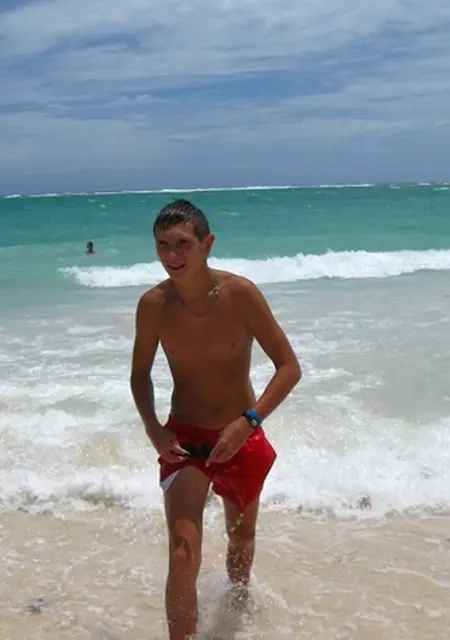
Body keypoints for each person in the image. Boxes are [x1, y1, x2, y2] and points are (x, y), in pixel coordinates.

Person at [130, 199, 301, 639]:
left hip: (241, 433)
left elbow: (289, 368)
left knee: (240, 538)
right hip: (184, 441)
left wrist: (248, 422)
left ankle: (236, 612)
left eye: (182, 244)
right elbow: (140, 375)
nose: (172, 255)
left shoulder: (240, 295)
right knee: (182, 555)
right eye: (162, 245)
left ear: (207, 244)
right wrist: (154, 429)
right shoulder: (153, 305)